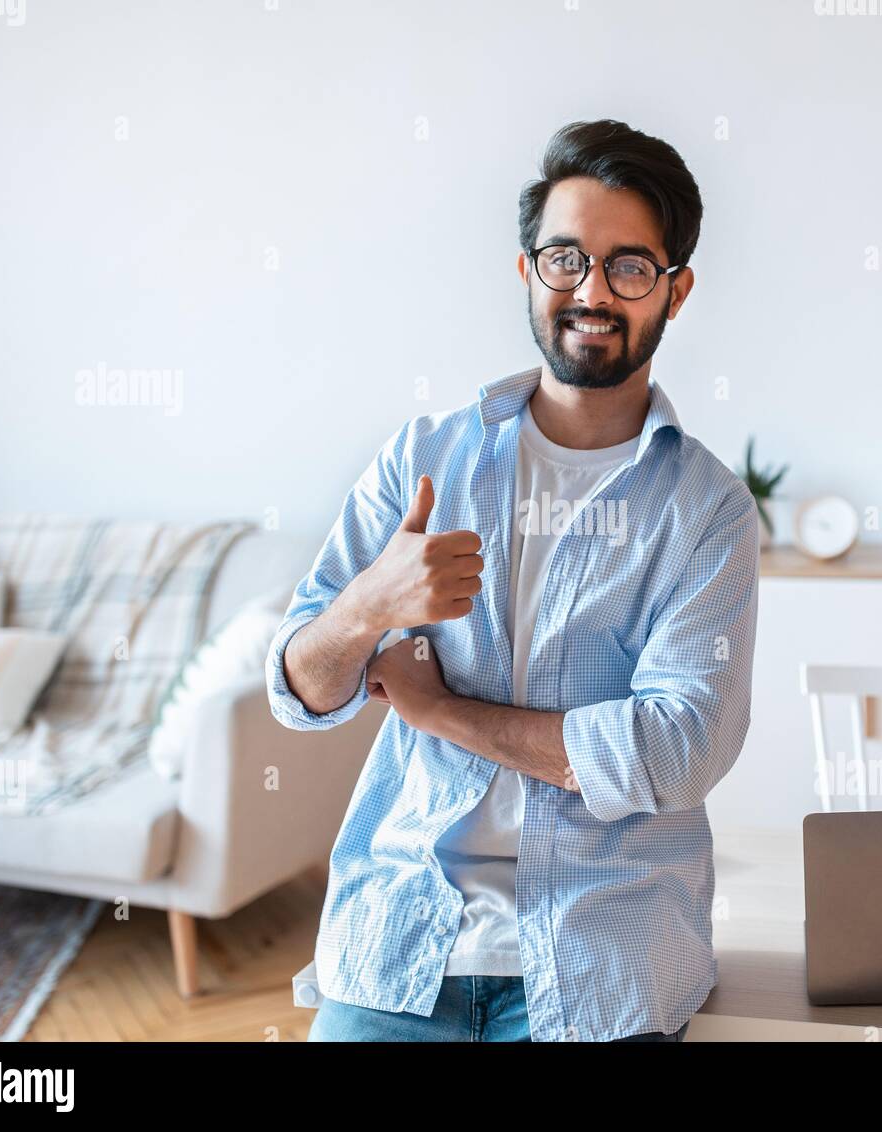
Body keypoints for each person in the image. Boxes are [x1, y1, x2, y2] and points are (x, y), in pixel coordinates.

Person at [268, 119, 759, 1042]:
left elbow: (676, 753)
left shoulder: (705, 511)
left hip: (602, 953)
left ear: (675, 290)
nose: (593, 291)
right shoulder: (425, 458)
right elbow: (299, 692)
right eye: (566, 258)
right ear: (527, 270)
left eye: (629, 266)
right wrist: (369, 605)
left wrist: (441, 711)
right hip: (400, 937)